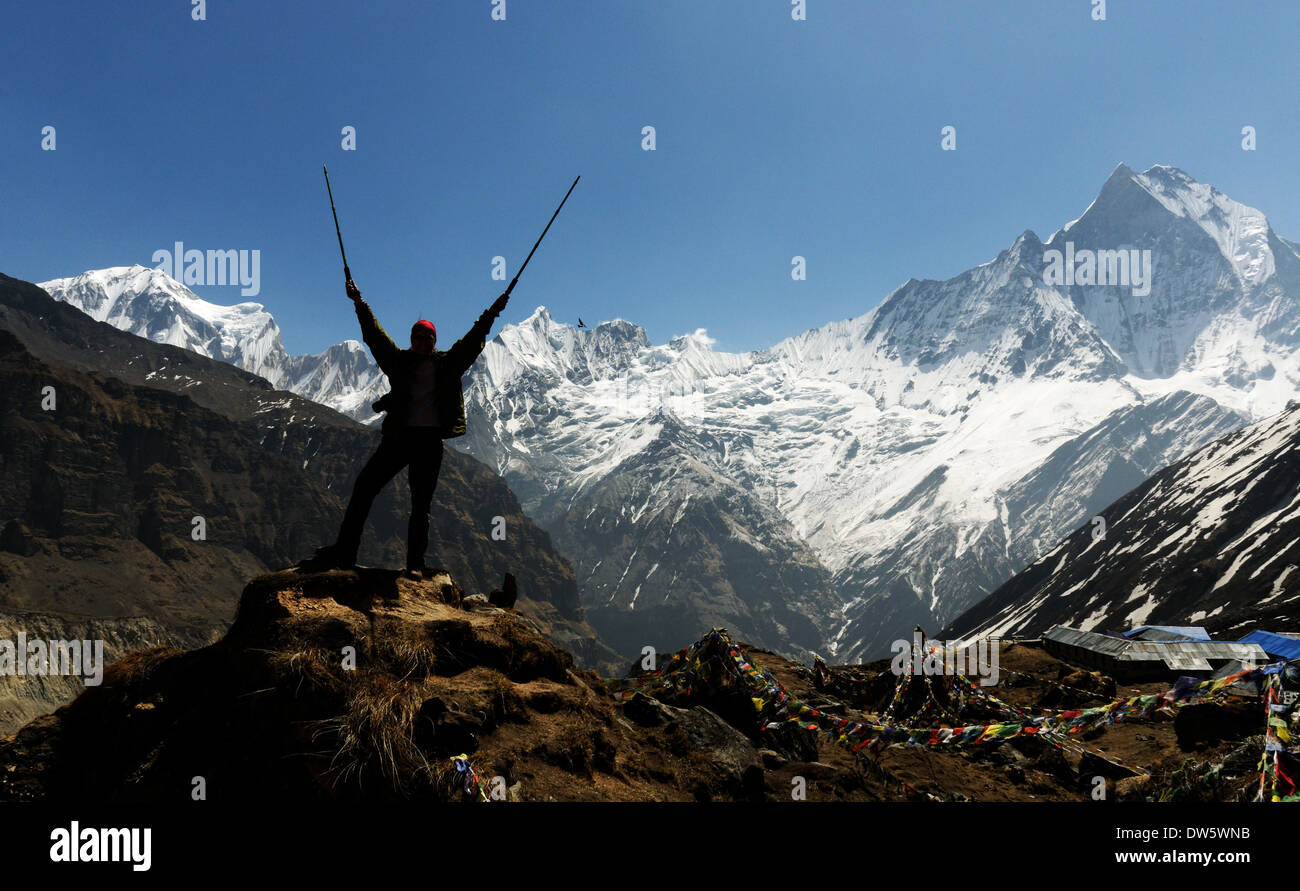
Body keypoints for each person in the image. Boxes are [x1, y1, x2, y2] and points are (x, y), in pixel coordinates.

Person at [311, 278, 509, 575]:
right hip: (400, 439)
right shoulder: (399, 362)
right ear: (412, 341)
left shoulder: (448, 364)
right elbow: (375, 337)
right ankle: (345, 551)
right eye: (418, 337)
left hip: (427, 443)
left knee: (419, 505)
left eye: (427, 338)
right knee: (365, 488)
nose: (422, 342)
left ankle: (414, 564)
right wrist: (358, 302)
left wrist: (492, 312)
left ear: (434, 342)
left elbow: (474, 338)